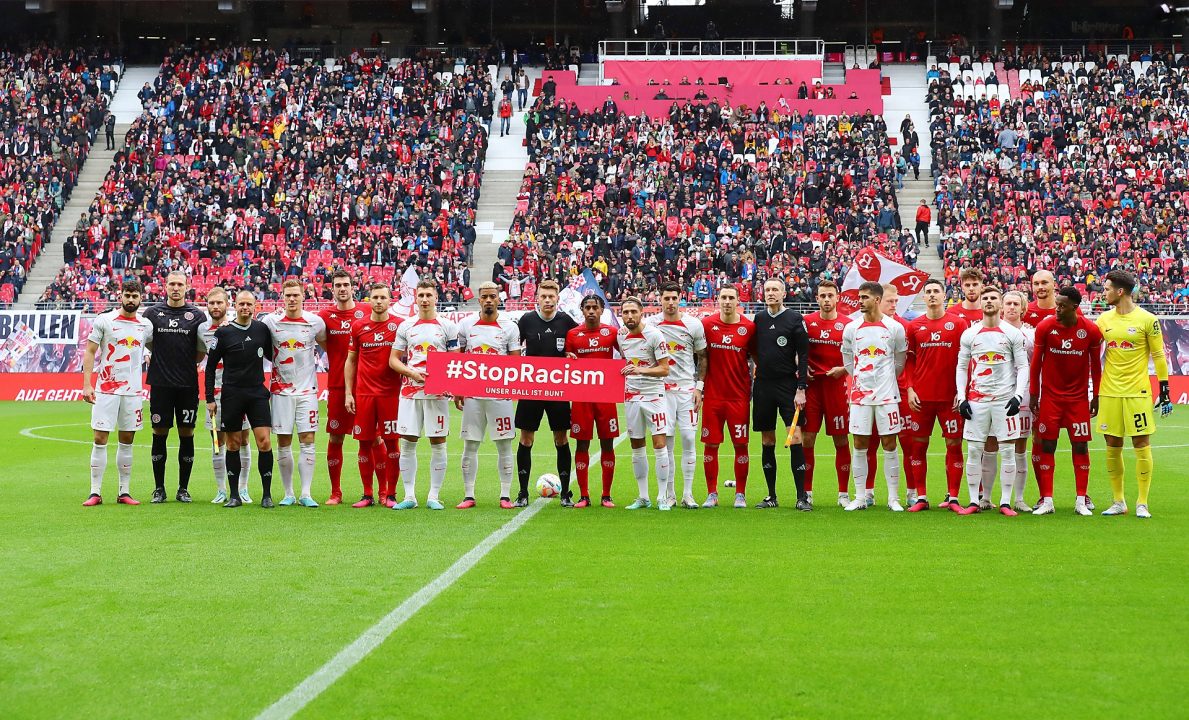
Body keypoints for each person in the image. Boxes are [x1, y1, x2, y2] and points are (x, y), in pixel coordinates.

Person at [1095, 270, 1172, 519]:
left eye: (1106, 288)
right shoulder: (1103, 320)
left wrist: (1165, 389)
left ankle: (1142, 502)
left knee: (1141, 443)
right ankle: (1118, 501)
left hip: (1137, 392)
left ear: (1120, 292)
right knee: (1112, 444)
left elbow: (1159, 355)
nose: (1103, 292)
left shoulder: (1147, 319)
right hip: (1109, 392)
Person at [954, 287, 1029, 516]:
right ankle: (975, 501)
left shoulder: (1013, 333)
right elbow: (962, 366)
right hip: (977, 401)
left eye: (993, 298)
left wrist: (1017, 395)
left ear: (1000, 303)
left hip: (1004, 401)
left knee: (1007, 450)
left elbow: (1023, 366)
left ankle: (1005, 502)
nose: (988, 301)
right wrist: (962, 396)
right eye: (985, 298)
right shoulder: (970, 333)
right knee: (975, 450)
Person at [1030, 286, 1102, 516]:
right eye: (1057, 305)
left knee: (1080, 445)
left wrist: (1096, 395)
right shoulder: (1045, 327)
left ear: (1074, 306)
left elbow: (1096, 367)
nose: (1057, 309)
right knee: (1047, 445)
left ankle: (1081, 499)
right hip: (1050, 398)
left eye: (1061, 305)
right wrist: (1034, 394)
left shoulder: (1090, 330)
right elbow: (1036, 364)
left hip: (1078, 400)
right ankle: (1047, 500)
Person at [390, 279, 460, 510]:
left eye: (428, 295)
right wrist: (411, 372)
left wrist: (452, 387)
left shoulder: (448, 326)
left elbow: (455, 361)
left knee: (438, 442)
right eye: (421, 295)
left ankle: (433, 495)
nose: (424, 299)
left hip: (437, 395)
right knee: (408, 443)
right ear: (416, 297)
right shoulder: (406, 326)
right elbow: (393, 360)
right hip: (410, 393)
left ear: (435, 297)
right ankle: (409, 496)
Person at [81, 280, 152, 506]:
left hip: (132, 392)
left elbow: (156, 349)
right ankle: (95, 492)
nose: (131, 300)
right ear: (120, 296)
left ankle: (124, 492)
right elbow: (90, 351)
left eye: (135, 296)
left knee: (127, 439)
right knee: (100, 438)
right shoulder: (105, 320)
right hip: (106, 389)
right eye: (127, 295)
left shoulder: (146, 325)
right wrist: (87, 384)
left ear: (141, 298)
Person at [204, 291, 276, 508]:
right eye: (241, 304)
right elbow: (209, 367)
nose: (245, 307)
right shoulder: (223, 333)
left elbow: (273, 357)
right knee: (233, 443)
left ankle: (266, 495)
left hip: (257, 393)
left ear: (255, 306)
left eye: (249, 304)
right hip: (232, 393)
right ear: (234, 305)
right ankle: (234, 495)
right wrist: (209, 397)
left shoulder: (262, 329)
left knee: (264, 441)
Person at [841, 282, 908, 511]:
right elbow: (848, 361)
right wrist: (862, 382)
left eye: (864, 297)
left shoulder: (894, 328)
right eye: (859, 297)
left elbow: (899, 361)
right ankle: (860, 497)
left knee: (890, 444)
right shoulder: (851, 328)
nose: (860, 301)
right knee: (859, 443)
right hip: (860, 397)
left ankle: (893, 498)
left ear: (877, 300)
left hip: (888, 396)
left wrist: (885, 380)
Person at [142, 271, 207, 503]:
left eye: (180, 284)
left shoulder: (197, 315)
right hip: (160, 384)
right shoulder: (152, 313)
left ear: (187, 286)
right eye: (172, 284)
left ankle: (183, 489)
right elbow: (148, 342)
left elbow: (201, 350)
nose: (176, 288)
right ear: (165, 286)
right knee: (159, 432)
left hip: (187, 385)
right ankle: (159, 488)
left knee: (186, 433)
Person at [262, 279, 327, 507]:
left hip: (308, 391)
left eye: (296, 295)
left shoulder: (315, 322)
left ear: (303, 296)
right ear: (282, 296)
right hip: (280, 392)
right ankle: (289, 493)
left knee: (308, 439)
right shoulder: (271, 321)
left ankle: (306, 493)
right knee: (283, 441)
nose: (292, 299)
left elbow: (327, 346)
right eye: (288, 295)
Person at [904, 278, 968, 511]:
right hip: (921, 398)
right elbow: (909, 361)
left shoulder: (958, 324)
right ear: (923, 297)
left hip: (949, 398)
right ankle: (921, 497)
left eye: (936, 291)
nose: (932, 295)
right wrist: (910, 389)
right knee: (918, 446)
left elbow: (966, 361)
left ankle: (952, 497)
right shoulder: (914, 326)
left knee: (954, 445)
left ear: (944, 295)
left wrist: (961, 392)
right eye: (928, 292)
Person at [456, 282, 521, 508]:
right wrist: (458, 390)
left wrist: (511, 390)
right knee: (470, 445)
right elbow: (460, 360)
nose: (489, 300)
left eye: (493, 296)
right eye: (485, 297)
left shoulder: (510, 327)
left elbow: (515, 362)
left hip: (499, 396)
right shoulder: (465, 325)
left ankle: (505, 495)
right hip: (473, 396)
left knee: (504, 445)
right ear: (479, 299)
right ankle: (469, 495)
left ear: (499, 298)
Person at [515, 280, 578, 505]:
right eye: (544, 296)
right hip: (531, 388)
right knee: (526, 438)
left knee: (561, 439)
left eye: (552, 297)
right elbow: (512, 348)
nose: (548, 300)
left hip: (558, 390)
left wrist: (572, 356)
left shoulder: (566, 322)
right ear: (537, 299)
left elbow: (577, 349)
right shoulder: (527, 321)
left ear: (558, 299)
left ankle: (565, 494)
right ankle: (522, 493)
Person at [645, 281, 707, 509]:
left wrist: (699, 387)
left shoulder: (693, 324)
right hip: (660, 392)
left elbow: (703, 356)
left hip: (687, 391)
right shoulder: (650, 324)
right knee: (667, 443)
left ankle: (688, 494)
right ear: (659, 299)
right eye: (666, 298)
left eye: (674, 298)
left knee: (690, 439)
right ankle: (669, 493)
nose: (670, 302)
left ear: (680, 299)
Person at [751, 278, 809, 510]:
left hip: (788, 386)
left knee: (795, 438)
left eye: (775, 289)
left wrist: (801, 388)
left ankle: (801, 497)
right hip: (763, 386)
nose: (771, 293)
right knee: (767, 440)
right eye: (767, 290)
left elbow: (803, 356)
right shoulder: (759, 319)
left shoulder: (795, 319)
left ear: (784, 293)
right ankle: (771, 496)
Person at [343, 283, 403, 508]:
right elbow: (350, 360)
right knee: (364, 444)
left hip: (390, 395)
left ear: (390, 300)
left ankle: (390, 494)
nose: (378, 301)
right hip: (364, 394)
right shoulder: (358, 326)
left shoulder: (399, 326)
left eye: (383, 297)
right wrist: (349, 393)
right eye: (375, 297)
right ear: (369, 300)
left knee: (392, 444)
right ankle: (367, 494)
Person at [699, 285, 756, 508]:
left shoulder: (749, 327)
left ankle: (740, 494)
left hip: (738, 397)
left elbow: (759, 357)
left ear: (738, 300)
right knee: (711, 445)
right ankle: (711, 493)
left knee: (741, 445)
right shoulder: (706, 325)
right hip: (712, 397)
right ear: (717, 300)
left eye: (731, 297)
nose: (727, 301)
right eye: (723, 297)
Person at [565, 294, 621, 508]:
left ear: (601, 310)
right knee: (582, 443)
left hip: (606, 398)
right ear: (582, 310)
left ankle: (606, 495)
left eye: (594, 307)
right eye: (587, 307)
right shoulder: (573, 334)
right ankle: (584, 495)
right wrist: (567, 360)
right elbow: (566, 365)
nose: (590, 311)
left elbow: (625, 355)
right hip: (582, 398)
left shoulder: (612, 332)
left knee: (607, 442)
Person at [617, 297, 672, 510]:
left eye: (633, 311)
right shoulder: (621, 335)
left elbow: (664, 369)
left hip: (654, 397)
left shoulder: (654, 335)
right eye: (625, 312)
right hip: (631, 397)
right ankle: (643, 497)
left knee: (659, 445)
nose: (629, 316)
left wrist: (640, 370)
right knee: (636, 445)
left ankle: (662, 497)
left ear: (641, 312)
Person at [802, 280, 853, 508]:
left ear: (837, 297)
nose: (826, 300)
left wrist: (842, 369)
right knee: (807, 439)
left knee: (841, 440)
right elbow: (796, 352)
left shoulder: (848, 325)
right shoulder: (806, 322)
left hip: (837, 388)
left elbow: (857, 357)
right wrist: (801, 370)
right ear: (817, 298)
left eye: (830, 295)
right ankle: (806, 491)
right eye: (822, 296)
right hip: (812, 389)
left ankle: (843, 493)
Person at [319, 270, 367, 505]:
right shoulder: (325, 316)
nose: (342, 289)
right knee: (336, 436)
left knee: (372, 438)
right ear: (332, 288)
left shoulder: (366, 312)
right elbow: (320, 341)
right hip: (337, 386)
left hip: (367, 386)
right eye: (338, 285)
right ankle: (335, 492)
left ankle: (377, 492)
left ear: (352, 286)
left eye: (346, 284)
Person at [200, 287, 252, 504]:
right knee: (217, 440)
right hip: (215, 394)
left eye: (219, 303)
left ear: (227, 305)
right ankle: (221, 489)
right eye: (211, 303)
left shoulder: (235, 327)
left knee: (242, 439)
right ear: (207, 305)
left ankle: (243, 488)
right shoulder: (201, 330)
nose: (215, 307)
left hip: (239, 391)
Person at [999, 290, 1037, 512]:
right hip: (994, 396)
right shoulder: (991, 331)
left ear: (1023, 309)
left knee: (1020, 446)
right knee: (991, 445)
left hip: (1022, 397)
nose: (1012, 307)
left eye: (1016, 304)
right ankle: (984, 497)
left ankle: (1019, 498)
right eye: (1008, 303)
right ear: (1002, 307)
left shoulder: (1030, 336)